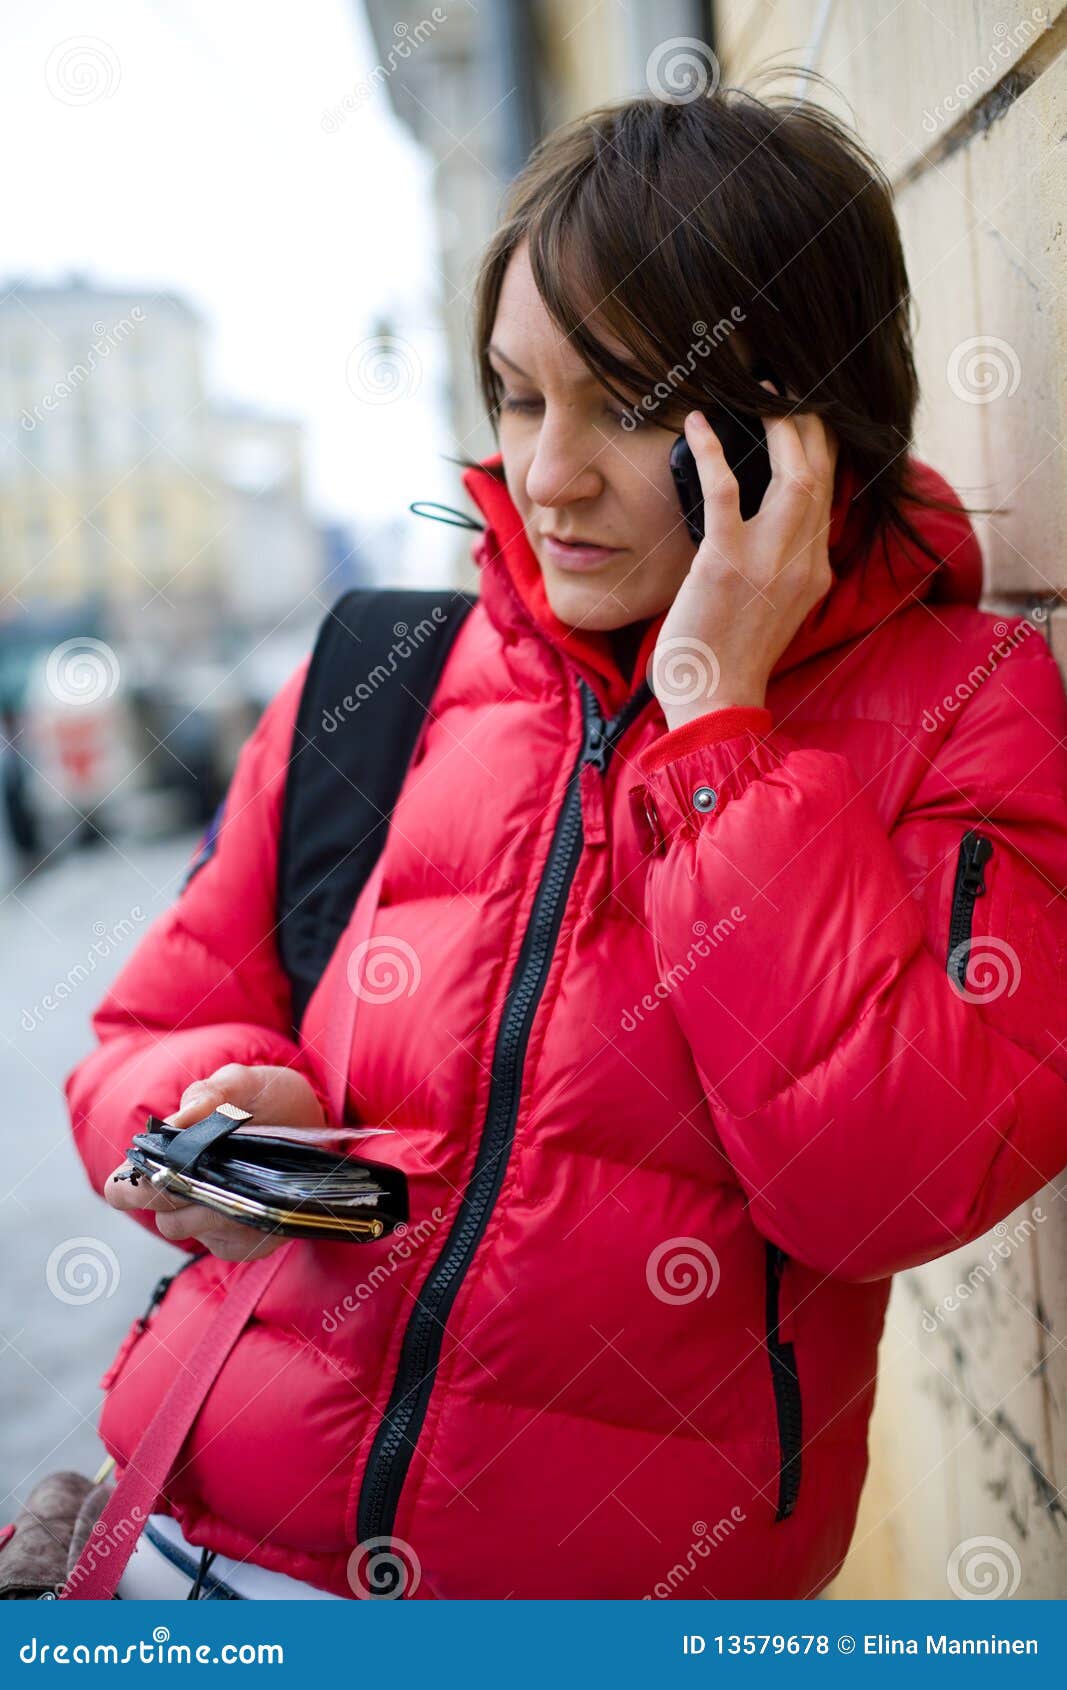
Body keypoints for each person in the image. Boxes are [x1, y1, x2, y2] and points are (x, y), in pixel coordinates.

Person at [67, 79, 1067, 1601]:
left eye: (630, 403)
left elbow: (884, 1184)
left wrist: (718, 721)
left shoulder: (966, 706)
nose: (546, 475)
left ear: (792, 431)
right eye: (520, 397)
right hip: (189, 1550)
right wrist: (205, 1117)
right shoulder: (381, 670)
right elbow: (140, 1030)